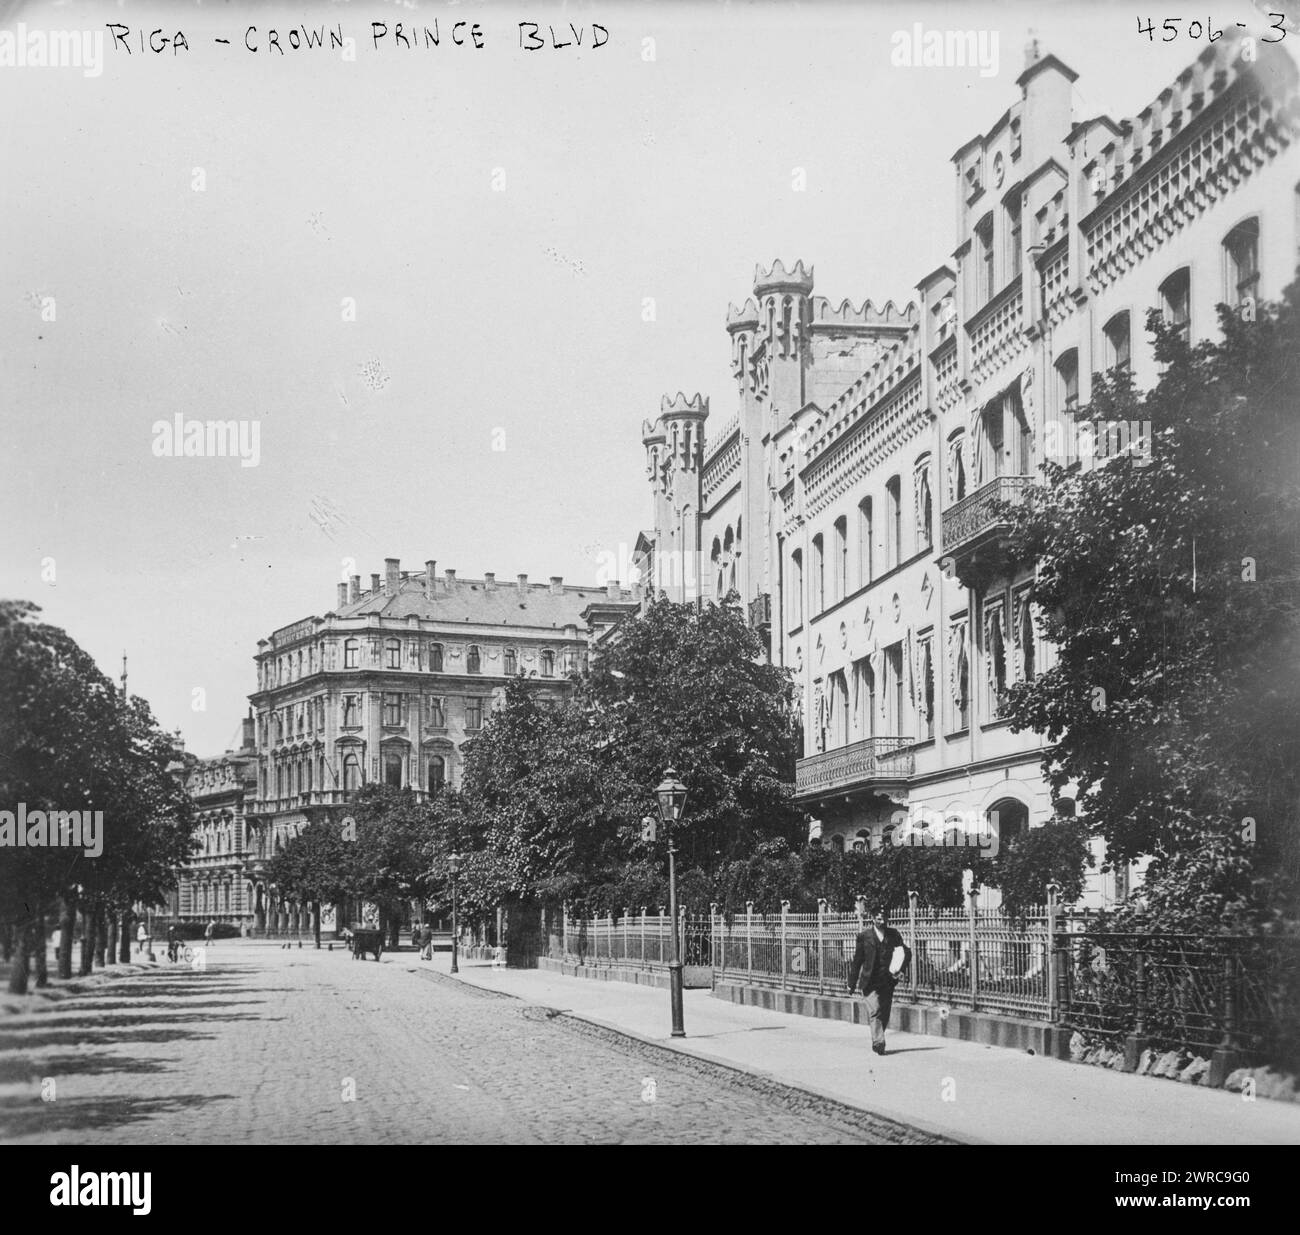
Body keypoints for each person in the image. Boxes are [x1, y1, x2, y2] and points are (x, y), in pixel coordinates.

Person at [846, 904, 907, 1056]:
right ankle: (878, 1041)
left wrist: (901, 970)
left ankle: (878, 1036)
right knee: (875, 1011)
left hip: (887, 980)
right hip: (869, 981)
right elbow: (857, 961)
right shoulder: (864, 936)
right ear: (873, 919)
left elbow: (904, 954)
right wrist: (851, 983)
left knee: (884, 1012)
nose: (882, 920)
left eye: (884, 917)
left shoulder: (894, 935)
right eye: (878, 917)